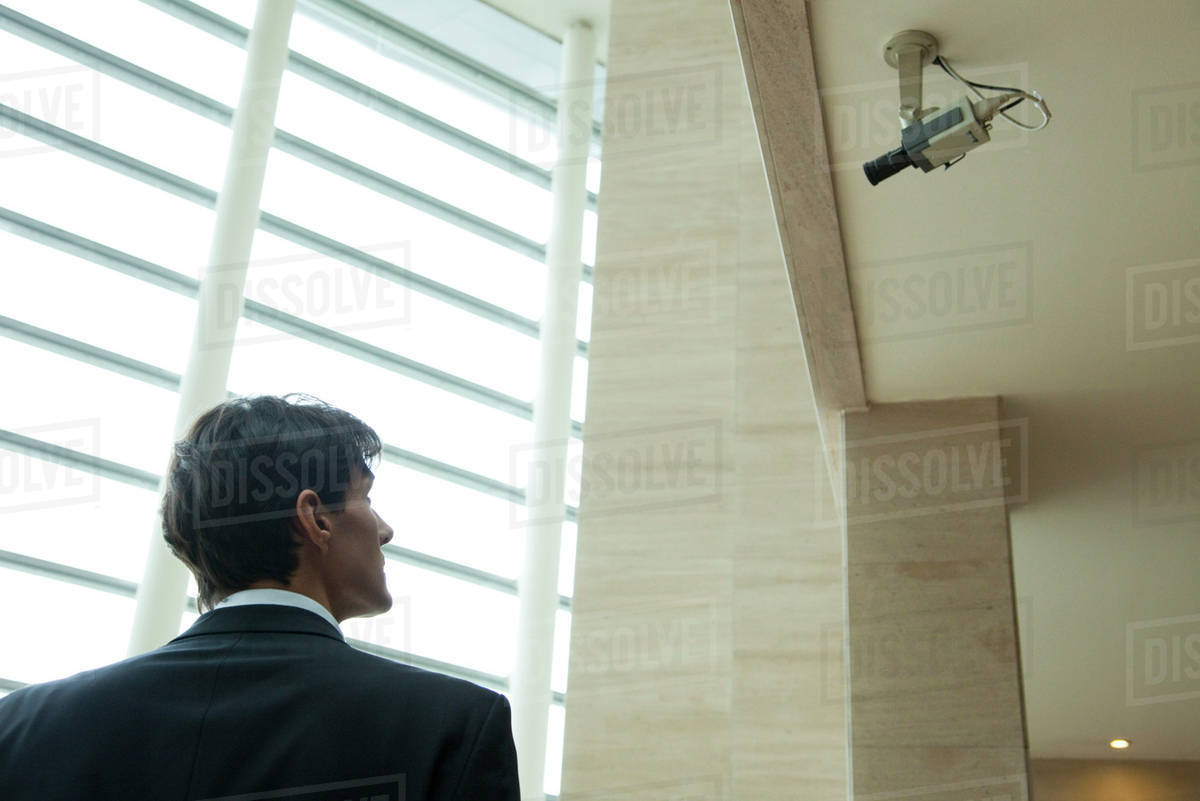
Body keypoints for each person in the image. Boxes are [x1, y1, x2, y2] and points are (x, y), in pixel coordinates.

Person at [0, 394, 521, 801]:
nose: (386, 530)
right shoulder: (453, 726)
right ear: (315, 518)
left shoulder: (21, 726)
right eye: (367, 498)